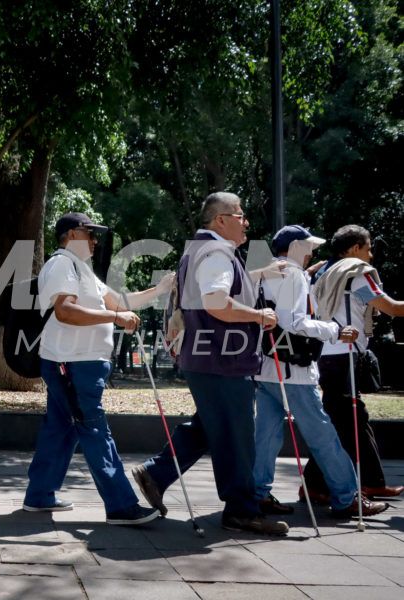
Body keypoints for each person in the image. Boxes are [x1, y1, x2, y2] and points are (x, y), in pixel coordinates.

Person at [131, 192, 290, 536]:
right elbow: (216, 302)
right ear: (221, 220)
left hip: (208, 357)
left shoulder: (201, 250)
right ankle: (241, 511)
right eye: (240, 214)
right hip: (222, 359)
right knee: (236, 436)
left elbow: (215, 290)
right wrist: (259, 315)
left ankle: (156, 473)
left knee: (209, 426)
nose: (246, 221)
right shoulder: (217, 253)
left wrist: (259, 274)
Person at [22, 212, 170, 525]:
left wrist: (160, 289)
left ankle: (40, 494)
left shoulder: (82, 269)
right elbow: (65, 311)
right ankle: (120, 505)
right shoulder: (62, 264)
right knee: (94, 429)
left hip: (76, 363)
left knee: (60, 429)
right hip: (71, 363)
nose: (94, 240)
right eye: (89, 233)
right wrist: (115, 319)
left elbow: (120, 302)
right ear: (71, 234)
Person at [251, 225, 388, 519]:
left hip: (266, 366)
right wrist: (335, 330)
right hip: (295, 370)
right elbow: (296, 321)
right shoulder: (295, 275)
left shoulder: (265, 273)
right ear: (297, 247)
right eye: (309, 245)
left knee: (266, 436)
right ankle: (346, 497)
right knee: (324, 436)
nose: (313, 250)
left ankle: (256, 494)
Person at [302, 225, 404, 500]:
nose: (370, 256)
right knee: (345, 420)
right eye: (368, 248)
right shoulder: (356, 275)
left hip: (325, 354)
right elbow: (392, 308)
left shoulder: (322, 272)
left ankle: (364, 481)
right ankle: (315, 484)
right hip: (345, 354)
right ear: (354, 248)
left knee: (350, 419)